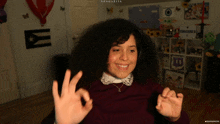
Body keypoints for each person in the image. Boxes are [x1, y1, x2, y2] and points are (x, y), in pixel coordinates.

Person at [51, 18, 190, 124]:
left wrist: (175, 117)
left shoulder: (153, 89)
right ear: (102, 53)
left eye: (131, 50)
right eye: (116, 50)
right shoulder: (82, 93)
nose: (125, 58)